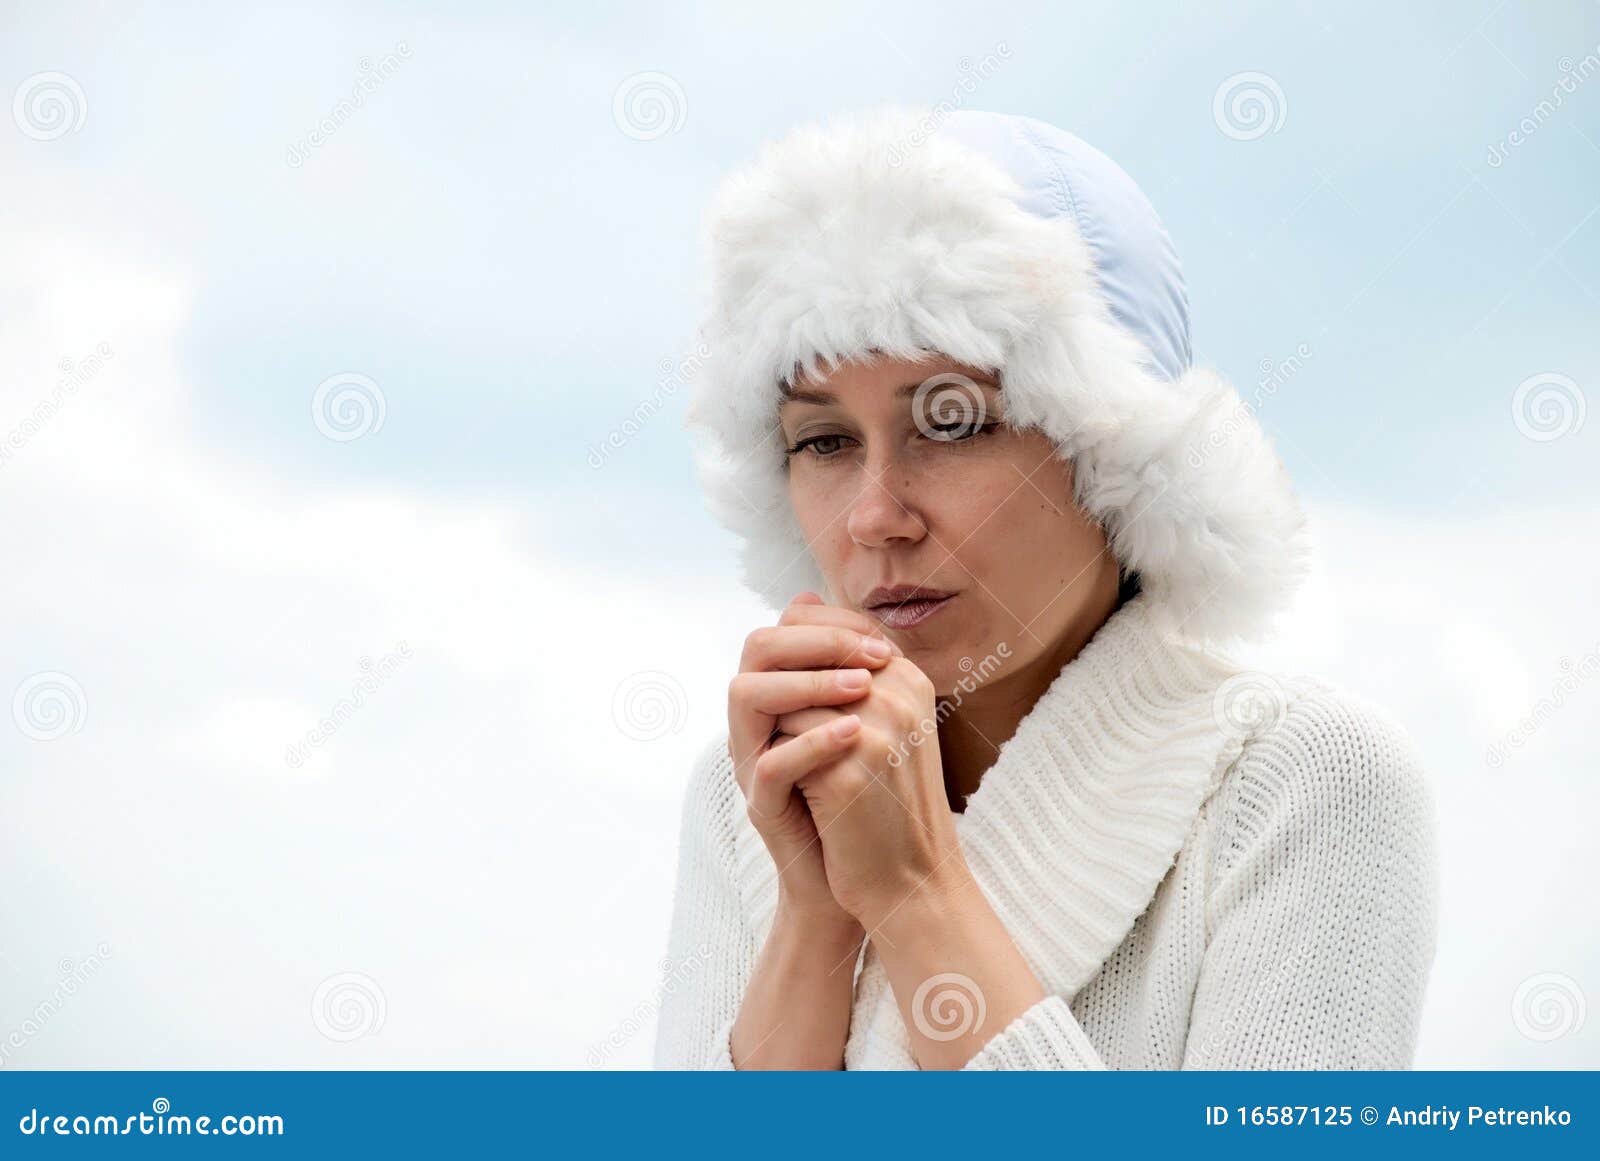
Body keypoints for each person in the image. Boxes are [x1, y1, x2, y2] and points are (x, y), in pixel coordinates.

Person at [652, 104, 1438, 1070]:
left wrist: (911, 892)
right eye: (823, 441)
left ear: (1112, 452)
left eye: (951, 423)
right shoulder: (749, 800)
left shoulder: (1303, 781)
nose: (873, 515)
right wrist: (816, 918)